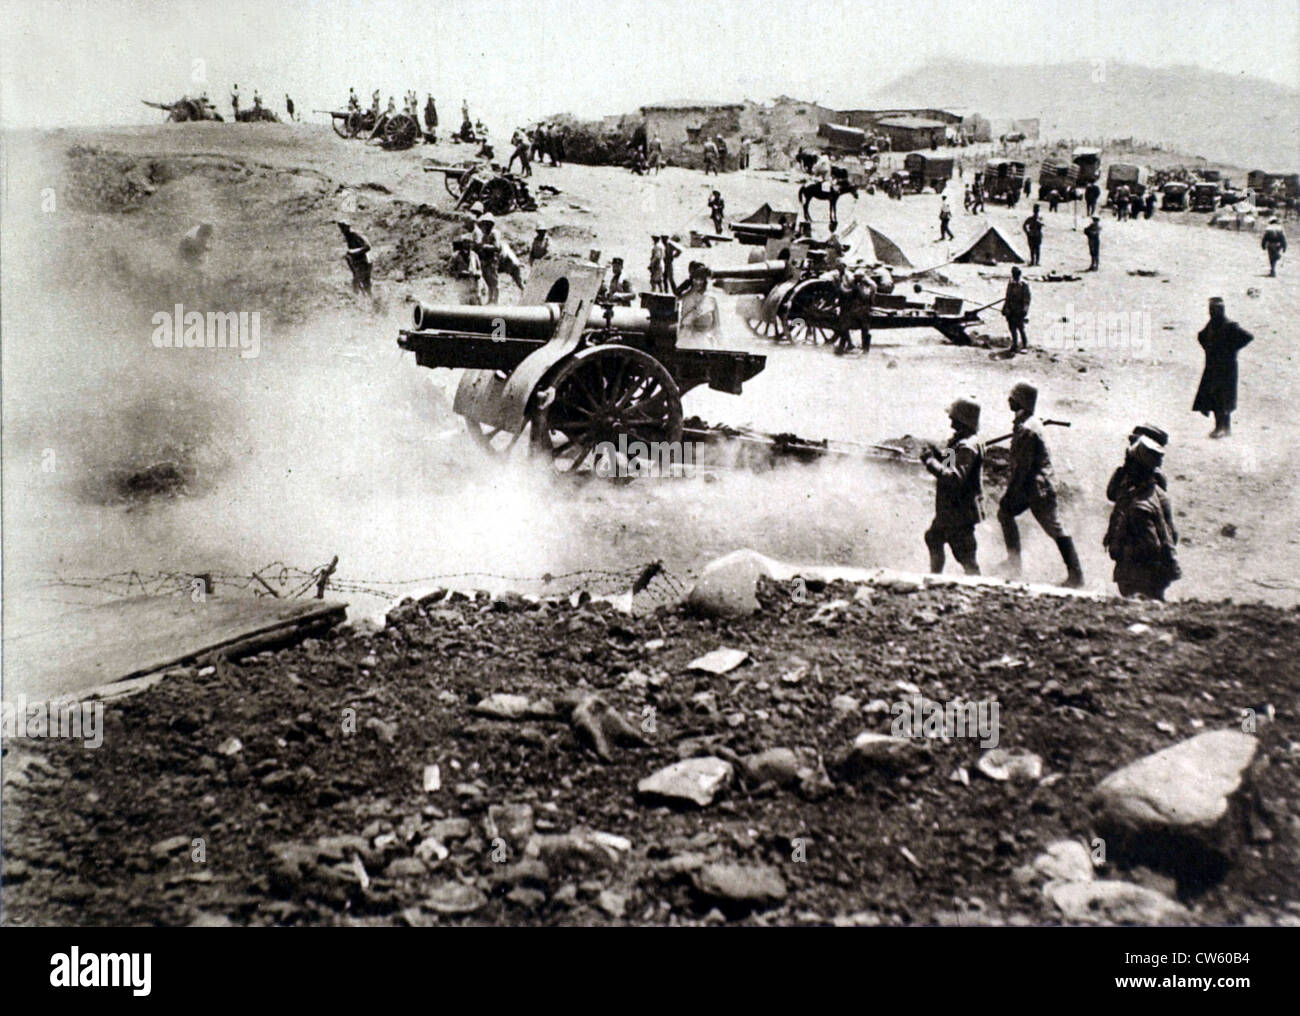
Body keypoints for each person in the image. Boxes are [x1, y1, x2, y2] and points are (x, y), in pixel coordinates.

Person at [996, 381, 1084, 587]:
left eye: (1013, 397)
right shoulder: (1027, 424)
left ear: (1020, 402)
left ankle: (1076, 575)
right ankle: (1014, 563)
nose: (1009, 400)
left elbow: (1021, 468)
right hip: (1034, 485)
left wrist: (1010, 492)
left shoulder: (1027, 428)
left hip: (1036, 488)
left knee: (1053, 527)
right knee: (1006, 514)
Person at [1104, 436, 1180, 600]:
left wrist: (1119, 549)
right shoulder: (1154, 491)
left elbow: (1150, 548)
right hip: (1157, 572)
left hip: (1140, 577)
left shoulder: (1140, 506)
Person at [920, 399, 986, 575]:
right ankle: (935, 577)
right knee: (933, 538)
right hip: (950, 510)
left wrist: (930, 462)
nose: (950, 422)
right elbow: (948, 465)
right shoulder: (957, 442)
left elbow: (955, 478)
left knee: (965, 556)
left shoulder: (967, 447)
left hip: (960, 513)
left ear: (963, 419)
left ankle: (978, 585)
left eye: (954, 417)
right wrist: (938, 455)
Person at [1192, 297, 1254, 438]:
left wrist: (1231, 350)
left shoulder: (1230, 326)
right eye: (1211, 309)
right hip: (1213, 367)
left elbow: (1247, 337)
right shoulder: (1212, 325)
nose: (1212, 312)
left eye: (1215, 309)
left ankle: (1224, 428)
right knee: (1214, 398)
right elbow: (1201, 336)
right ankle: (1220, 427)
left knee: (1224, 399)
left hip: (1227, 369)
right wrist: (1209, 349)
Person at [475, 213, 523, 303]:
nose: (484, 226)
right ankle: (490, 300)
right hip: (489, 260)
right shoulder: (484, 236)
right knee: (489, 281)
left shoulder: (494, 233)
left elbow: (496, 247)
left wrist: (483, 246)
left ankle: (495, 300)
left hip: (499, 260)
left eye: (486, 224)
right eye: (483, 224)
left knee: (495, 281)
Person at [831, 266, 875, 355]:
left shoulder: (861, 287)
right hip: (860, 310)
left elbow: (847, 292)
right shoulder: (868, 286)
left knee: (846, 328)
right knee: (862, 329)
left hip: (858, 310)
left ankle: (843, 349)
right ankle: (860, 350)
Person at [677, 263, 720, 345]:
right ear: (692, 279)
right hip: (687, 340)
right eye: (696, 279)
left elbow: (717, 326)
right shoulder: (685, 298)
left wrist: (719, 344)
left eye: (701, 279)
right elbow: (681, 323)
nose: (698, 282)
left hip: (705, 342)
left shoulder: (711, 299)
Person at [336, 221, 372, 295]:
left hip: (364, 262)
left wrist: (353, 252)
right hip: (356, 263)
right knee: (359, 283)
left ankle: (366, 301)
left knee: (361, 283)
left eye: (343, 227)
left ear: (348, 227)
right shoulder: (347, 237)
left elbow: (367, 247)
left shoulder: (355, 235)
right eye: (341, 228)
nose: (342, 230)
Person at [1003, 266, 1030, 352]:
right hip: (1011, 310)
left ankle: (1025, 345)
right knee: (1012, 328)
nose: (1015, 277)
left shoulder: (1024, 285)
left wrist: (1025, 310)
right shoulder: (1011, 284)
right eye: (1014, 275)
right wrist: (1005, 308)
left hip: (1019, 310)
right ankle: (1015, 344)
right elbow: (1007, 297)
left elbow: (1027, 299)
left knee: (1021, 328)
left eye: (1016, 275)